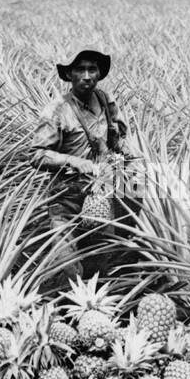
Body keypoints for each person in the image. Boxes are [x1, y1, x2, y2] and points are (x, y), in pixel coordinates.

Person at [31, 48, 130, 285]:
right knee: (67, 265)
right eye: (80, 69)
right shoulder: (56, 110)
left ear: (99, 74)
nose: (87, 75)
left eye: (92, 69)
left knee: (102, 258)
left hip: (100, 196)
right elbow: (36, 154)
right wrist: (75, 162)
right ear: (69, 75)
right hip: (66, 198)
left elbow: (120, 140)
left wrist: (121, 160)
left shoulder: (106, 101)